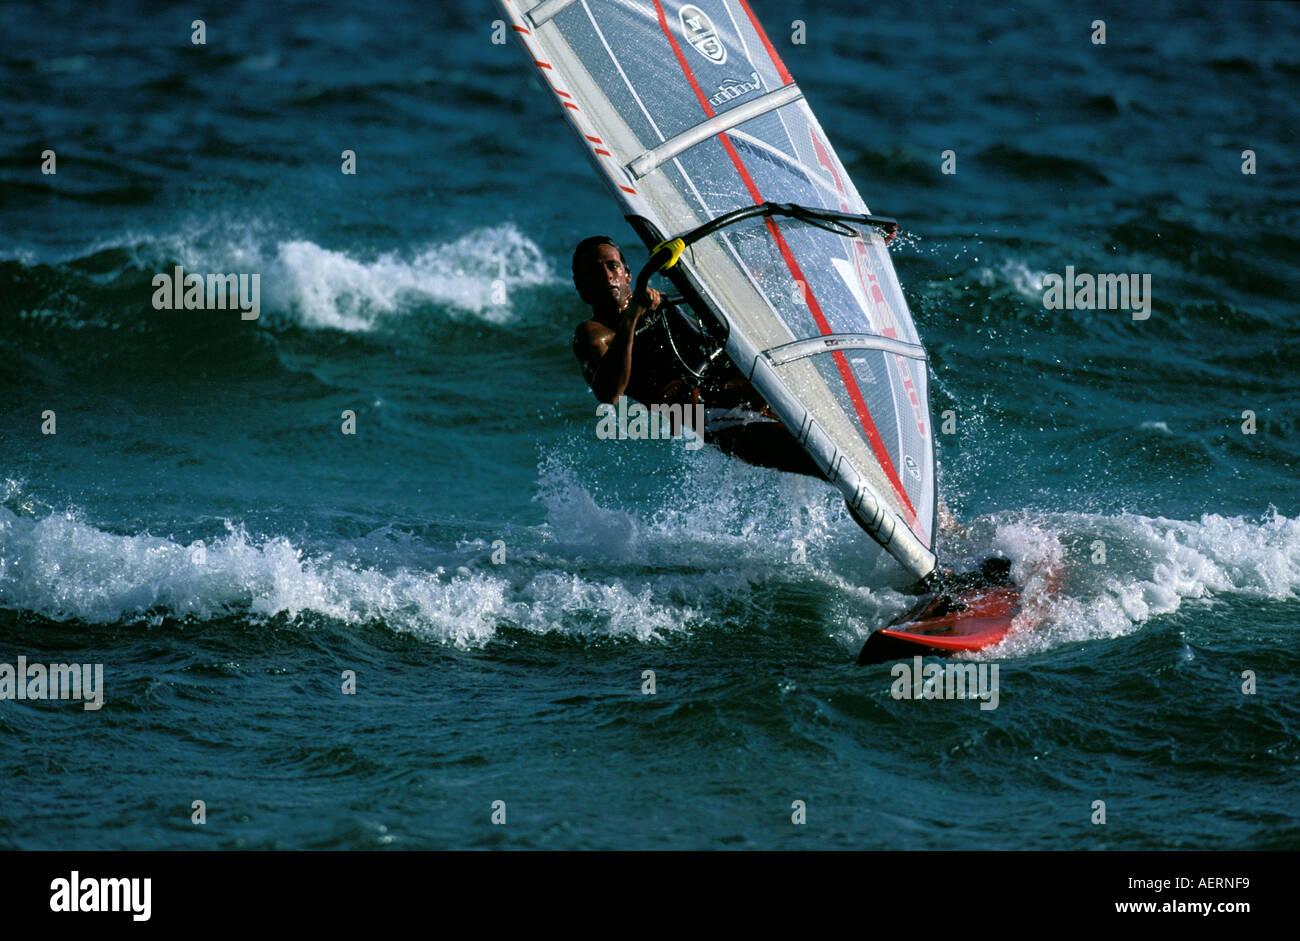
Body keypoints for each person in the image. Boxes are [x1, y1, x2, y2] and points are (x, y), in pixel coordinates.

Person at [569, 235, 824, 478]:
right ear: (581, 287)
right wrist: (632, 316)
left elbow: (710, 335)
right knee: (812, 459)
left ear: (627, 274)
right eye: (594, 270)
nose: (606, 275)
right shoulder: (593, 334)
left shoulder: (660, 303)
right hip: (708, 413)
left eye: (612, 266)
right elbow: (609, 393)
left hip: (741, 383)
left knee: (821, 424)